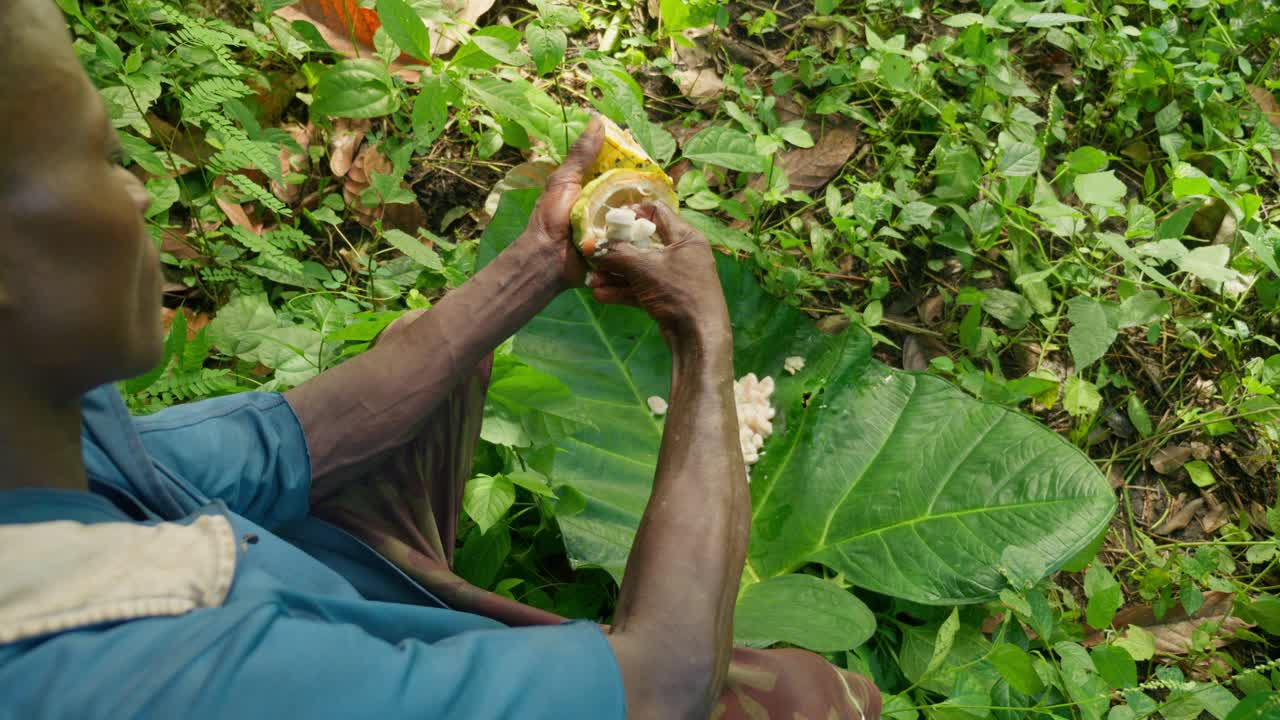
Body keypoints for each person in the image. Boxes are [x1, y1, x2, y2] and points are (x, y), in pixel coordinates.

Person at [0, 0, 882, 717]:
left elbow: (286, 446)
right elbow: (665, 687)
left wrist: (537, 265)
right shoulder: (161, 676)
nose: (140, 188)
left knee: (421, 369)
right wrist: (705, 342)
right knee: (804, 700)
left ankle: (443, 595)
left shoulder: (41, 440)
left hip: (304, 582)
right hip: (331, 655)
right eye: (102, 157)